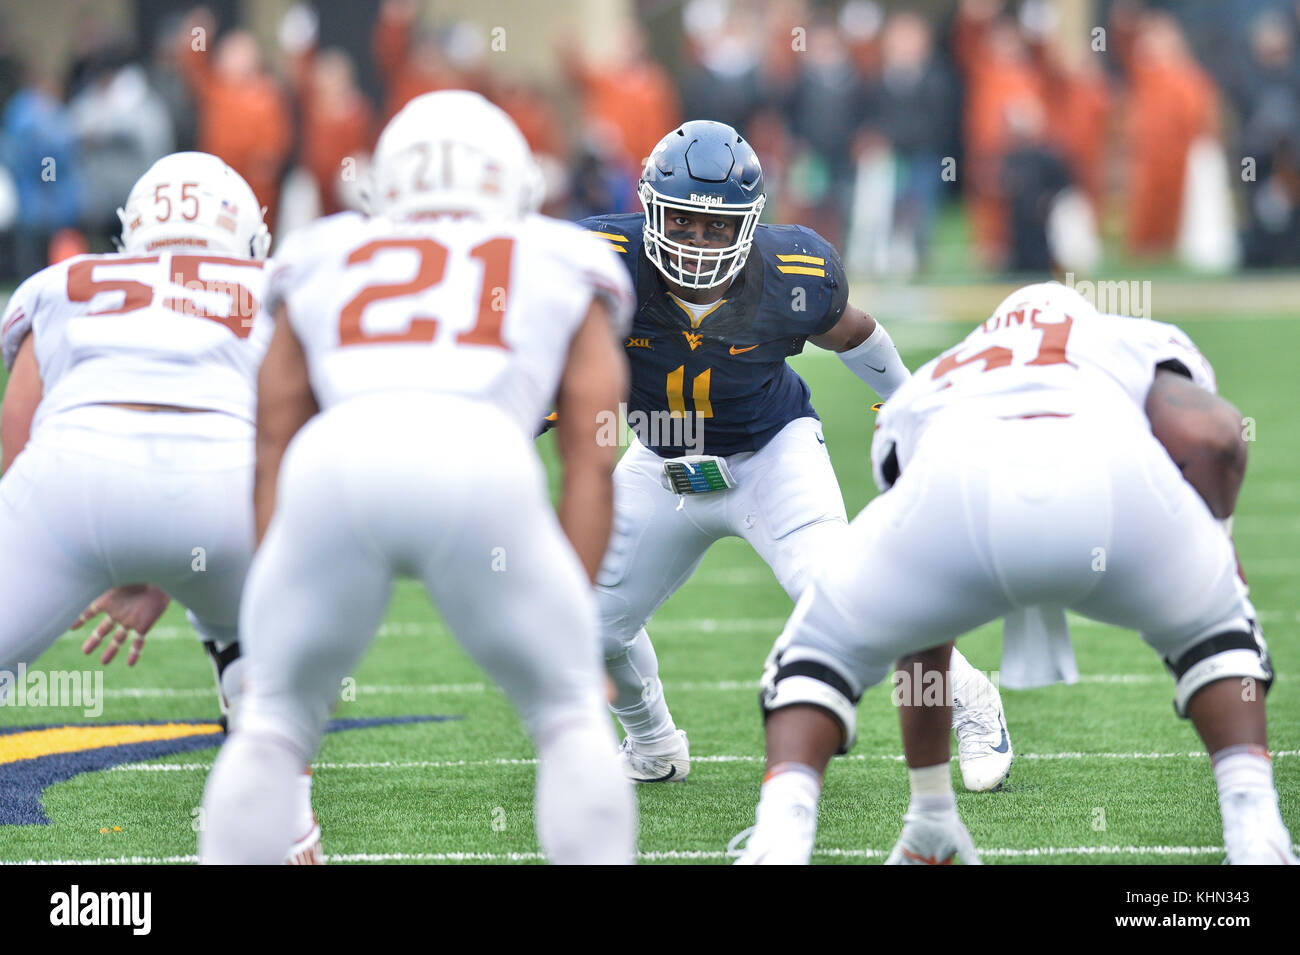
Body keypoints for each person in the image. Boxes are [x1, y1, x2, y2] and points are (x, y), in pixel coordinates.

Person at [198, 91, 637, 865]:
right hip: (480, 454)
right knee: (570, 712)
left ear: (384, 183)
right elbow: (592, 447)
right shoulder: (559, 254)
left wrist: (278, 574)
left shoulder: (324, 249)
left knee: (271, 722)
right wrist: (573, 599)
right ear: (515, 183)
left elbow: (274, 431)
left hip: (335, 459)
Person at [734, 282, 1293, 865]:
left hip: (958, 487)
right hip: (1109, 489)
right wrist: (1213, 567)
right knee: (1219, 642)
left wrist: (931, 802)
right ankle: (1257, 829)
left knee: (817, 653)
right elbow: (1216, 437)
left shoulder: (938, 376)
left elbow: (922, 629)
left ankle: (785, 835)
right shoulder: (1126, 337)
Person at [577, 120, 1013, 793]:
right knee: (589, 620)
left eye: (715, 227)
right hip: (662, 463)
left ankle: (974, 700)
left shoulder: (790, 274)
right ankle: (653, 743)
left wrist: (908, 405)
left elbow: (854, 333)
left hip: (770, 455)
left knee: (848, 601)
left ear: (748, 226)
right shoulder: (603, 259)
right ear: (650, 211)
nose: (697, 242)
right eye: (683, 222)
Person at [0, 151, 320, 863]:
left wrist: (96, 550)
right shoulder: (277, 286)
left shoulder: (66, 281)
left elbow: (16, 438)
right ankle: (288, 818)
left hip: (70, 476)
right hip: (233, 484)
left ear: (132, 232)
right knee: (266, 656)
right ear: (246, 233)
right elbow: (296, 440)